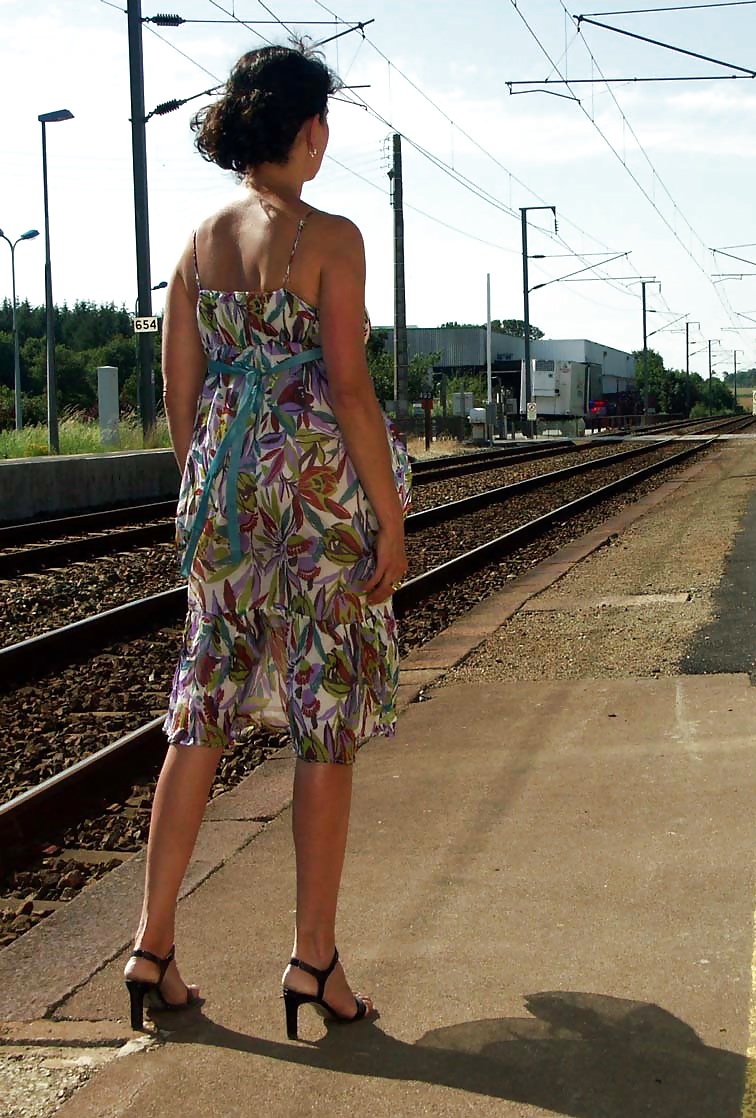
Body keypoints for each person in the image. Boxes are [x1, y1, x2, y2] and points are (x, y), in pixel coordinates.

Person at [123, 42, 412, 1041]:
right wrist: (389, 513)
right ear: (307, 130)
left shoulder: (197, 243)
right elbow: (349, 385)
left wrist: (209, 488)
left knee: (199, 704)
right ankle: (311, 957)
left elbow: (178, 388)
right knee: (323, 714)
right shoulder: (330, 237)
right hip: (317, 495)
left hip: (222, 488)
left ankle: (151, 941)